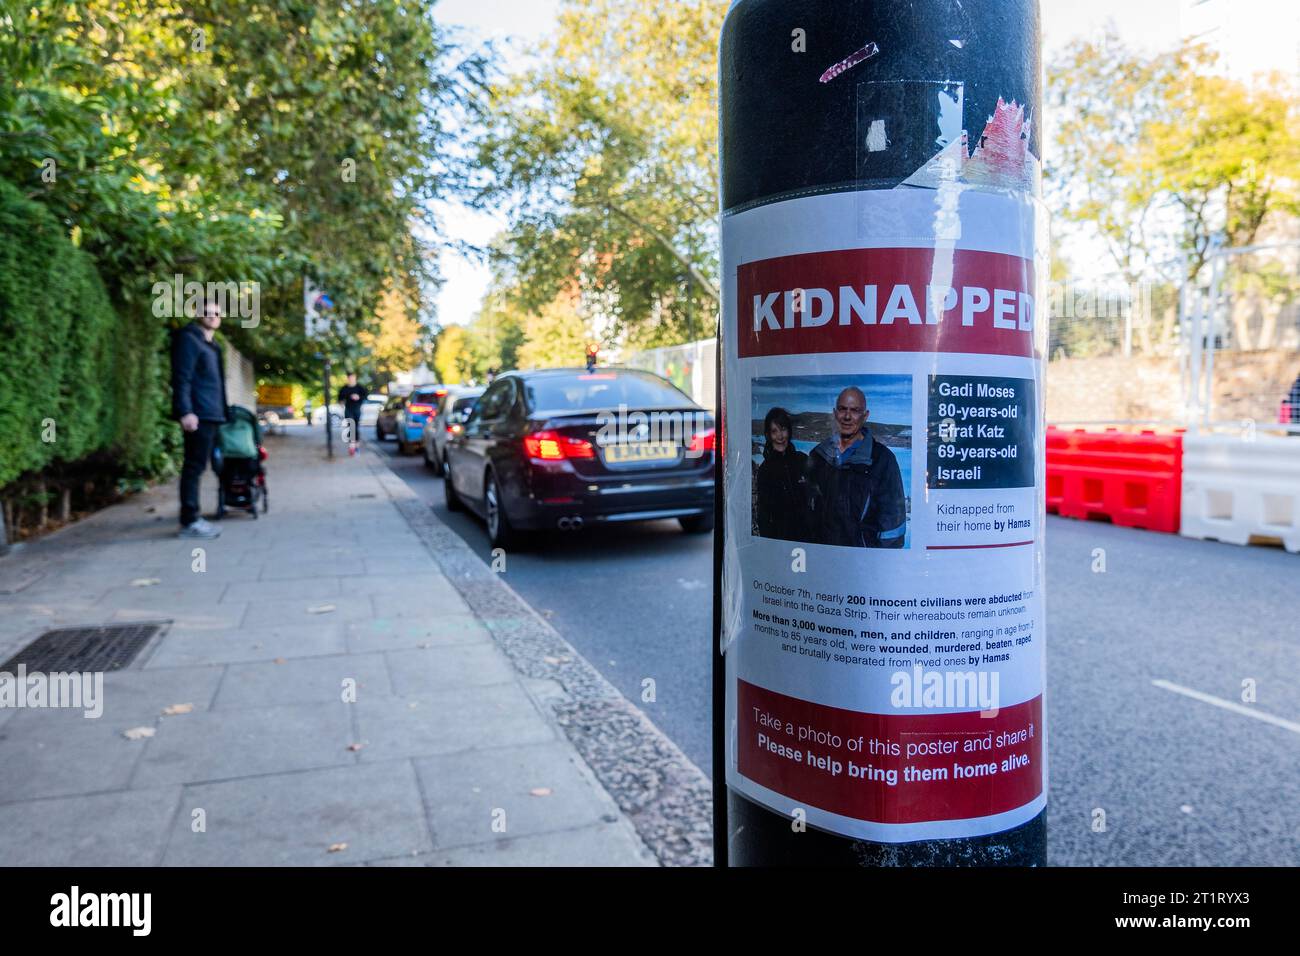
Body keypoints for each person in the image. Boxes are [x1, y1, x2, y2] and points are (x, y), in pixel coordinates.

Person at [807, 386, 907, 548]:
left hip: (863, 561)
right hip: (823, 559)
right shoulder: (819, 456)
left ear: (865, 415)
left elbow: (893, 525)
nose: (847, 416)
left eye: (855, 410)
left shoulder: (882, 460)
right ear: (834, 413)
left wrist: (881, 563)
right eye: (842, 409)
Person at [171, 300, 229, 538]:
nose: (213, 316)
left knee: (206, 466)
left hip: (213, 415)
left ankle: (197, 516)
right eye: (207, 312)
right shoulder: (189, 339)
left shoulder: (212, 345)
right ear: (198, 315)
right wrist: (186, 411)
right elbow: (181, 378)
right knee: (193, 467)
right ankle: (190, 520)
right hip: (199, 415)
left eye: (217, 313)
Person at [755, 407, 812, 541]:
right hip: (780, 542)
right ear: (768, 435)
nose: (780, 436)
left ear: (789, 431)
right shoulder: (765, 470)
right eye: (774, 431)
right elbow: (763, 514)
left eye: (783, 429)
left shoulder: (802, 460)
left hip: (808, 541)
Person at [337, 373, 368, 456]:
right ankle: (352, 445)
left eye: (353, 378)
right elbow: (340, 399)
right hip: (348, 410)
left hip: (357, 409)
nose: (351, 380)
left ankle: (355, 446)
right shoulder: (344, 388)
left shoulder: (360, 388)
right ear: (348, 379)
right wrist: (342, 402)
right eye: (350, 378)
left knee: (355, 427)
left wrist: (358, 397)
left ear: (355, 378)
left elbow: (365, 397)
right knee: (351, 426)